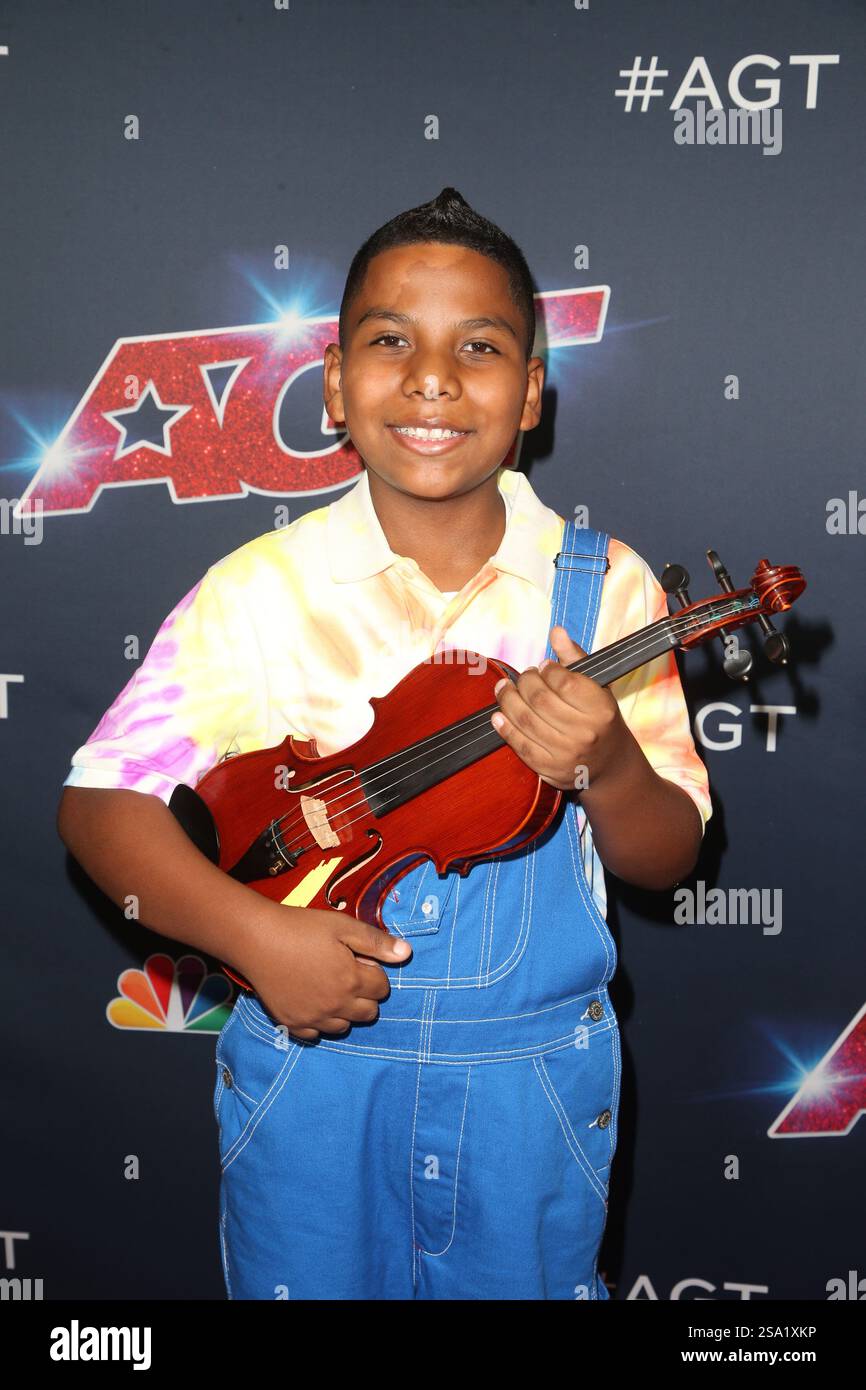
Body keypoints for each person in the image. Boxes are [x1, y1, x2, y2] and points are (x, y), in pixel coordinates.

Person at [57, 187, 711, 1300]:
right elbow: (100, 805)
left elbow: (666, 856)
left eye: (481, 347)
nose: (432, 379)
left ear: (532, 395)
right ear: (331, 384)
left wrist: (602, 764)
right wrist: (256, 938)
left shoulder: (606, 591)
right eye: (390, 341)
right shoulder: (262, 593)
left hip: (529, 1094)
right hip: (312, 1084)